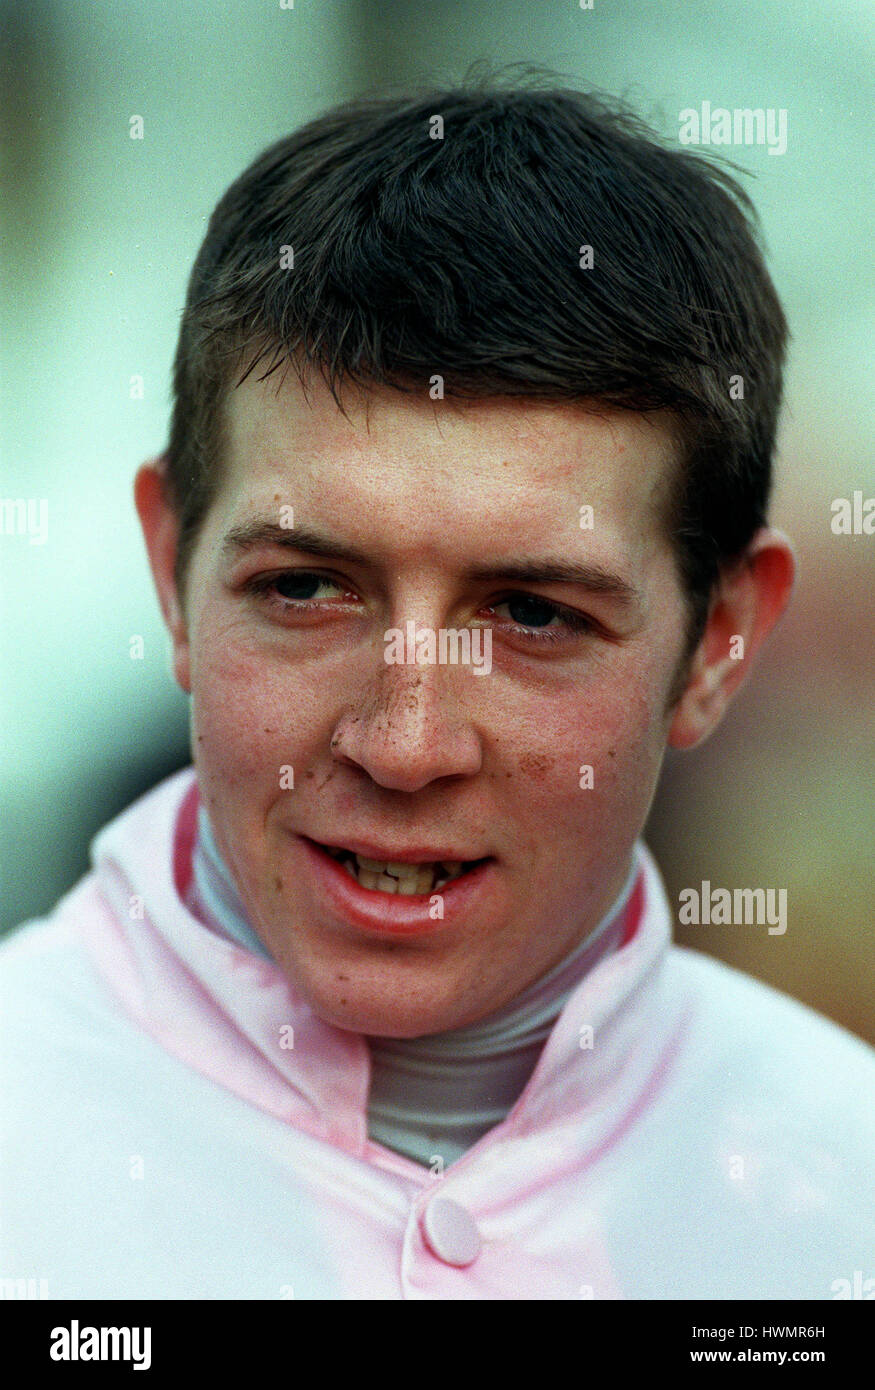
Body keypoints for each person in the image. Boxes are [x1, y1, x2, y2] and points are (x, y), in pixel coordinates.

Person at [2, 76, 872, 1301]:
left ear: (720, 641)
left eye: (531, 615)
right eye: (307, 588)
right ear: (170, 570)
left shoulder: (843, 1191)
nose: (403, 746)